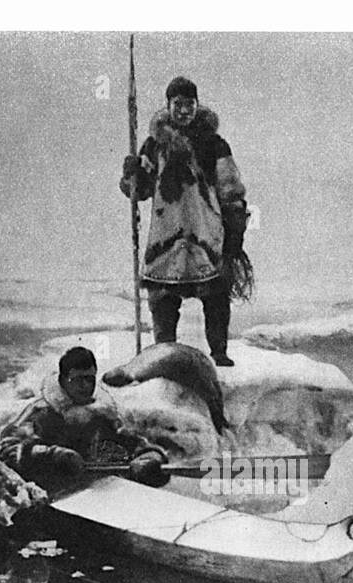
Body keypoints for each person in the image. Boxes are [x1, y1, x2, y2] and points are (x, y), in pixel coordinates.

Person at [120, 75, 250, 368]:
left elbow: (231, 188)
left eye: (189, 104)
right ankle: (164, 355)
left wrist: (235, 231)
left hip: (206, 233)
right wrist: (132, 172)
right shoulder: (154, 146)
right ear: (168, 106)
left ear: (197, 105)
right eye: (178, 104)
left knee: (216, 295)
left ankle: (218, 352)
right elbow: (138, 191)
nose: (183, 111)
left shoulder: (214, 144)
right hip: (166, 236)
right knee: (163, 299)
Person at [0, 345, 168, 490]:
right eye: (77, 380)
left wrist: (149, 459)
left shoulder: (102, 414)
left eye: (90, 379)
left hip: (93, 498)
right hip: (47, 497)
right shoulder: (42, 412)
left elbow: (133, 443)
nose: (86, 386)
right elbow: (6, 450)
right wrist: (52, 455)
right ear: (62, 380)